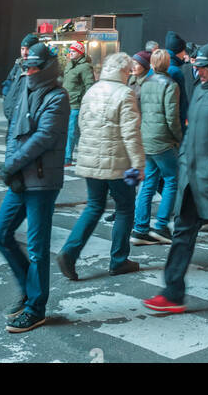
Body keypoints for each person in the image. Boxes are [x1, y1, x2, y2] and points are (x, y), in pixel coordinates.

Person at [142, 43, 208, 315]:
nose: (198, 72)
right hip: (192, 179)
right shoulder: (200, 90)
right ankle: (173, 292)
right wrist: (183, 162)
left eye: (203, 67)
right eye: (197, 67)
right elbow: (191, 132)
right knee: (182, 233)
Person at [0, 42, 69, 333]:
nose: (30, 71)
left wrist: (11, 165)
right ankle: (29, 291)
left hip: (42, 181)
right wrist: (10, 164)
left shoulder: (57, 95)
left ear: (47, 67)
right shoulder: (25, 86)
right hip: (20, 176)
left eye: (35, 67)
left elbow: (45, 136)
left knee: (37, 247)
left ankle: (36, 308)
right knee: (0, 234)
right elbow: (14, 130)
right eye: (27, 66)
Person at [57, 51, 144, 280]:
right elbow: (131, 134)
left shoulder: (92, 90)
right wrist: (139, 164)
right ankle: (118, 260)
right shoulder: (125, 94)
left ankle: (69, 252)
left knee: (94, 206)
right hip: (119, 163)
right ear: (124, 72)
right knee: (125, 208)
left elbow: (81, 122)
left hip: (91, 158)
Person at [131, 48, 182, 245]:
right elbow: (172, 117)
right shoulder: (170, 85)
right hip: (163, 141)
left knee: (148, 183)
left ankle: (140, 228)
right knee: (172, 179)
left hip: (146, 139)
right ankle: (161, 225)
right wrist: (179, 137)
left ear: (151, 65)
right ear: (167, 64)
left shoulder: (145, 83)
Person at [62, 41, 95, 165]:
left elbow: (89, 85)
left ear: (80, 53)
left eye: (74, 51)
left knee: (71, 131)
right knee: (75, 132)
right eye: (70, 51)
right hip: (67, 103)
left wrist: (87, 104)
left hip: (76, 104)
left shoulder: (85, 67)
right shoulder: (69, 65)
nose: (71, 53)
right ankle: (85, 154)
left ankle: (67, 158)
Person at [2, 33, 41, 122]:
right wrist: (6, 99)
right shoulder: (18, 65)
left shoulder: (39, 69)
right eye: (22, 49)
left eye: (28, 49)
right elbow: (8, 82)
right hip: (12, 115)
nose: (24, 52)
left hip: (25, 119)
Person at [165, 31, 192, 125]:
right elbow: (181, 103)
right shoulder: (176, 72)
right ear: (178, 51)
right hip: (172, 127)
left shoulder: (152, 70)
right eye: (183, 50)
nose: (185, 54)